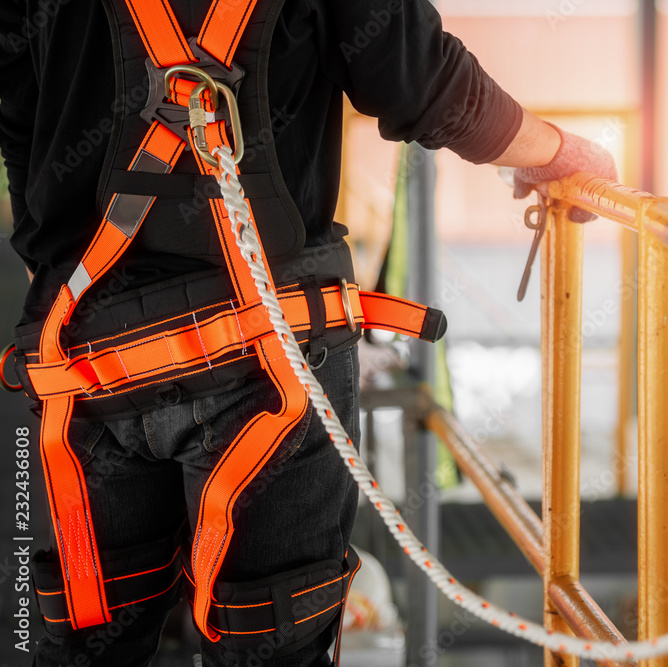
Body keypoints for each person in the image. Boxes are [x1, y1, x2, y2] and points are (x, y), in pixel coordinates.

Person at [0, 1, 616, 665]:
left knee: (90, 640)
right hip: (271, 367)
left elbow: (17, 114)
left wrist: (65, 272)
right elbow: (419, 80)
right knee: (274, 643)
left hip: (93, 365)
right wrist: (557, 151)